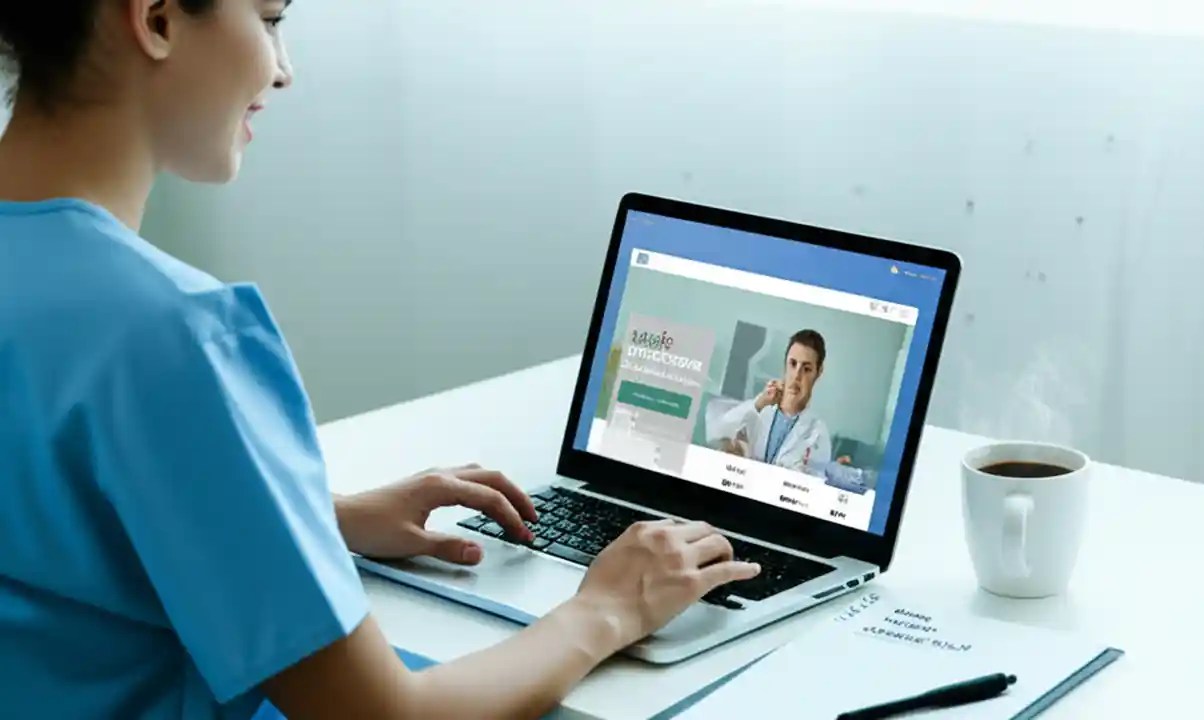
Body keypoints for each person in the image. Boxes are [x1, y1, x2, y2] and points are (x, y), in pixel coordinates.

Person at [0, 2, 760, 719]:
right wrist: (607, 609)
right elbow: (383, 713)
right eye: (269, 19)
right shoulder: (171, 337)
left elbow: (53, 529)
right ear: (158, 17)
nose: (282, 69)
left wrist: (312, 521)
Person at [706, 329, 851, 476]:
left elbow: (814, 479)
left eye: (806, 369)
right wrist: (759, 403)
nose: (797, 375)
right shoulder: (760, 409)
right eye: (793, 364)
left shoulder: (817, 433)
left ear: (818, 373)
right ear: (784, 364)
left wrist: (832, 473)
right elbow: (715, 433)